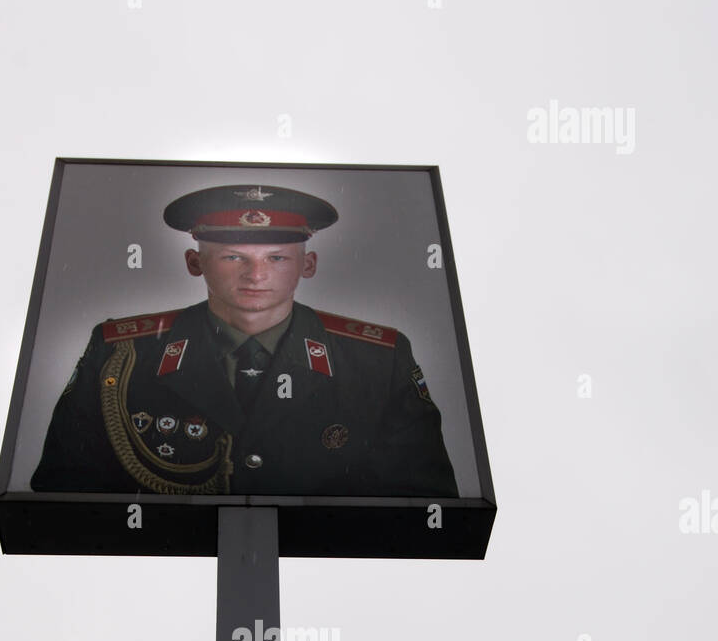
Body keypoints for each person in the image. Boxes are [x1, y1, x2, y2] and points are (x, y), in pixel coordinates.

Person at [30, 183, 458, 498]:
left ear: (307, 264)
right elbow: (60, 498)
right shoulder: (121, 354)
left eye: (276, 259)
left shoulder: (377, 361)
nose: (255, 276)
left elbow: (425, 507)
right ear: (194, 262)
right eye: (234, 257)